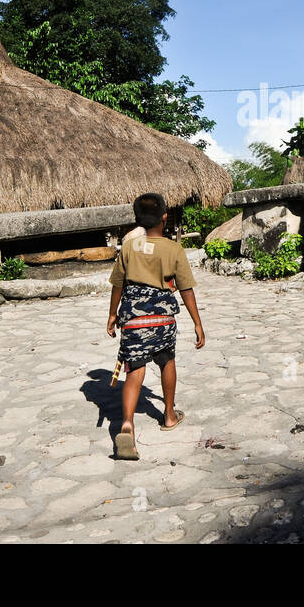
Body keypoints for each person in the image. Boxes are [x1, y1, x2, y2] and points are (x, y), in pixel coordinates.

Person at [106, 193, 205, 460]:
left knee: (134, 371)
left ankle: (127, 424)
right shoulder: (173, 250)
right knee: (167, 361)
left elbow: (118, 285)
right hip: (162, 321)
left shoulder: (128, 248)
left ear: (137, 220)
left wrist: (113, 315)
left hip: (134, 322)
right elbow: (186, 290)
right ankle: (170, 416)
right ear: (164, 217)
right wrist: (198, 323)